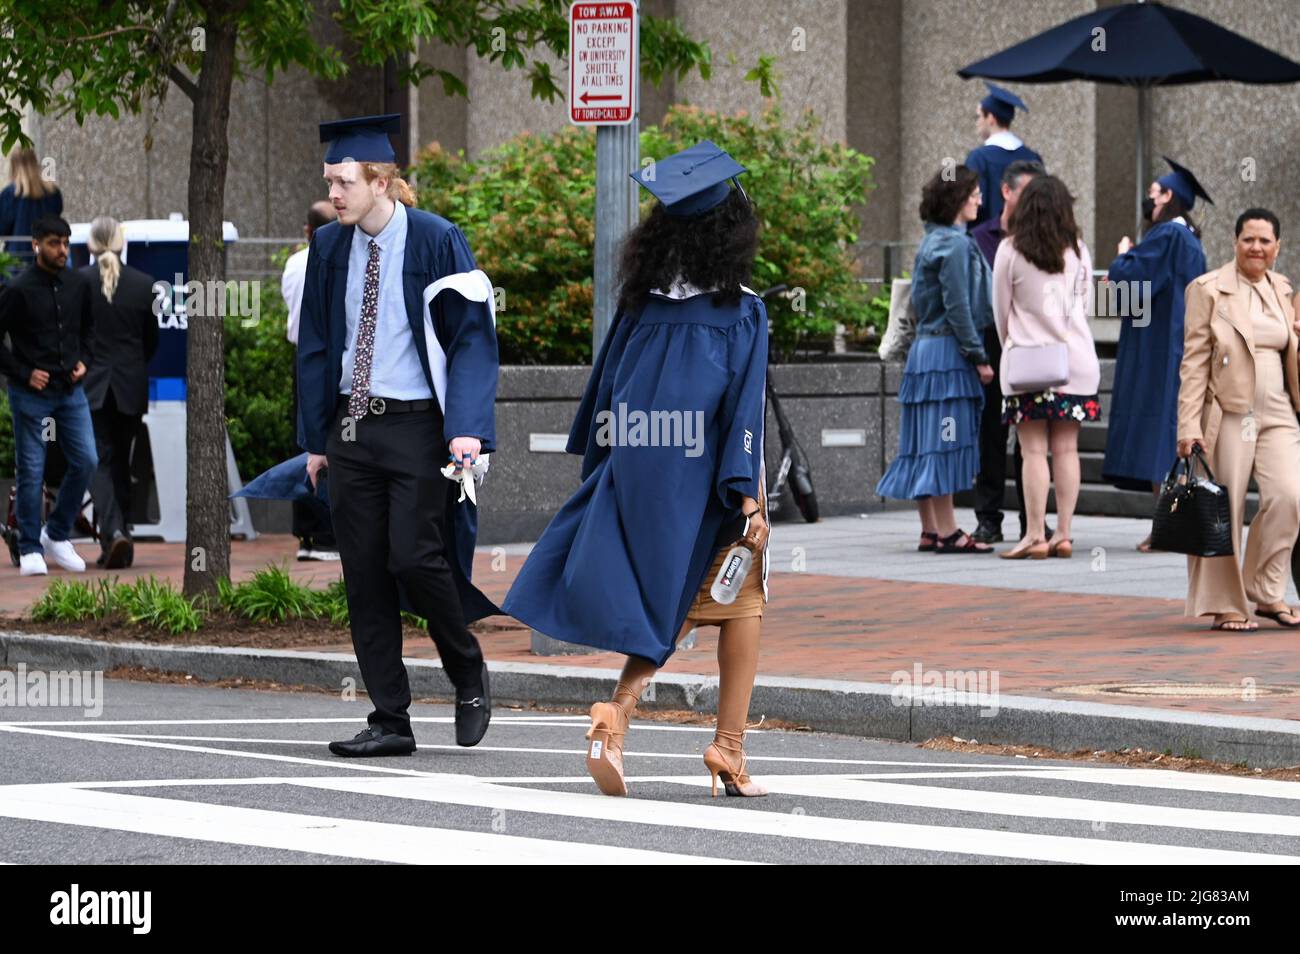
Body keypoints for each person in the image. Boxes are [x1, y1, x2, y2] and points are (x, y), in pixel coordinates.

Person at [502, 141, 771, 799]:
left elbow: (606, 393)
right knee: (724, 598)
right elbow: (743, 410)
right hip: (705, 479)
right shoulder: (741, 312)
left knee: (711, 602)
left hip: (640, 470)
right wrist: (749, 497)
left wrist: (608, 472)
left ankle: (714, 744)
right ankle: (651, 724)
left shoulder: (640, 304)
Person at [297, 114, 500, 756]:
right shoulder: (329, 249)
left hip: (417, 426)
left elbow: (471, 341)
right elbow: (316, 345)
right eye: (329, 181)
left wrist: (467, 429)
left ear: (381, 181)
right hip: (352, 428)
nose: (333, 194)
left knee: (415, 556)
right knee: (363, 572)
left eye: (343, 182)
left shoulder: (439, 241)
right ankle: (390, 718)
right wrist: (315, 439)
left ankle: (466, 669)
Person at [1178, 208, 1300, 632]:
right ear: (1235, 242)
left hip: (1280, 410)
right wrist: (1188, 425)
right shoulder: (1208, 289)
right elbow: (1193, 363)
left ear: (1277, 248)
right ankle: (1226, 603)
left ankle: (1266, 590)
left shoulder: (1282, 288)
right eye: (1249, 239)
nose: (1256, 248)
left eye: (1265, 241)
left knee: (1289, 496)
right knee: (1223, 506)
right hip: (1232, 410)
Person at [877, 165, 995, 554]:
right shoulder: (956, 245)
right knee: (947, 437)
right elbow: (959, 307)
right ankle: (948, 530)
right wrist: (979, 357)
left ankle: (930, 528)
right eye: (974, 193)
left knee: (926, 439)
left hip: (924, 352)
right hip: (947, 352)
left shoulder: (932, 240)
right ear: (957, 200)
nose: (979, 199)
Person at [1104, 157, 1209, 551]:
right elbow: (1136, 301)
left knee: (1160, 439)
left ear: (1169, 196)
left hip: (1160, 355)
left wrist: (1122, 256)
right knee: (1162, 440)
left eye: (1152, 194)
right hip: (1167, 347)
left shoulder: (1168, 236)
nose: (1147, 201)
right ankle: (1167, 526)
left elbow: (1131, 284)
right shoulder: (1188, 240)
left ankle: (1171, 527)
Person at [993, 175, 1101, 560]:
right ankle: (1065, 534)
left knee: (1033, 450)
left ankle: (1035, 535)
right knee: (1067, 448)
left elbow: (1000, 312)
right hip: (1076, 361)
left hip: (1028, 364)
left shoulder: (1009, 250)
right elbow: (1085, 307)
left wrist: (1017, 338)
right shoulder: (1078, 251)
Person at [0, 216, 97, 576]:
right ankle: (28, 547)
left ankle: (55, 534)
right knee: (32, 468)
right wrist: (25, 373)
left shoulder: (78, 284)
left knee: (87, 459)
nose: (62, 250)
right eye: (54, 243)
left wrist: (85, 361)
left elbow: (90, 329)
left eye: (66, 243)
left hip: (70, 392)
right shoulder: (18, 289)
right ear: (36, 244)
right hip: (31, 395)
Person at [77, 216, 158, 569]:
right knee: (120, 464)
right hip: (131, 384)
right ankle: (121, 538)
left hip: (92, 385)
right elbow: (150, 340)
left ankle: (113, 532)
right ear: (122, 243)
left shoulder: (78, 282)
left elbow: (74, 334)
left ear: (90, 245)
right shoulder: (145, 284)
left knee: (96, 460)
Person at [970, 158, 1043, 544]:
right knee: (991, 435)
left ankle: (1034, 522)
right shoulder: (980, 237)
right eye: (1027, 192)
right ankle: (988, 517)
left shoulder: (1044, 239)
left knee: (1033, 437)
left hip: (1033, 348)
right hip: (993, 346)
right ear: (1006, 192)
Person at [282, 199, 339, 561]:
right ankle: (328, 535)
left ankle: (306, 535)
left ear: (306, 231)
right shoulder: (337, 261)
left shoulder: (293, 263)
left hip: (300, 358)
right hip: (331, 360)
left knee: (304, 441)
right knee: (331, 443)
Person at [965, 82, 1044, 230]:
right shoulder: (1033, 158)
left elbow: (973, 206)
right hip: (1030, 240)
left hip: (988, 243)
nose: (977, 123)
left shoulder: (978, 158)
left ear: (991, 118)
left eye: (978, 116)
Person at [0, 148, 64, 273]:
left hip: (17, 262)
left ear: (13, 165)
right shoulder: (53, 193)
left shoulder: (9, 194)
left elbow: (2, 228)